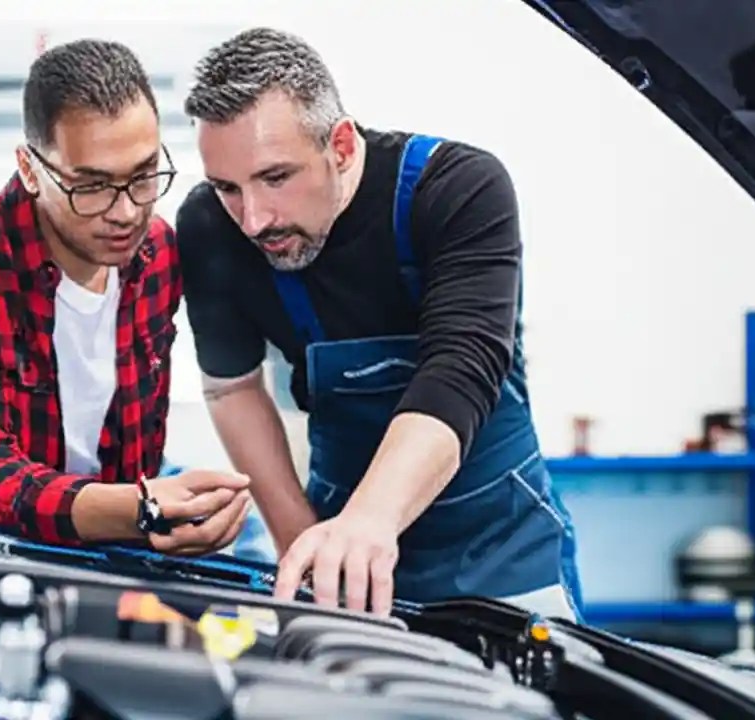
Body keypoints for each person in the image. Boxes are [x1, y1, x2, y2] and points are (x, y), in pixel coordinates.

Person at [175, 27, 584, 619]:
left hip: (500, 545)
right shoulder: (211, 226)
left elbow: (461, 370)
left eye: (275, 178)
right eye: (227, 188)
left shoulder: (457, 190)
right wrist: (301, 540)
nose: (254, 219)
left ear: (340, 146)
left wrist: (372, 521)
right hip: (339, 537)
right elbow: (232, 387)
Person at [0, 38, 251, 555]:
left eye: (144, 175)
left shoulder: (157, 254)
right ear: (31, 169)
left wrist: (151, 517)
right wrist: (139, 510)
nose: (125, 212)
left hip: (108, 555)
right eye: (92, 185)